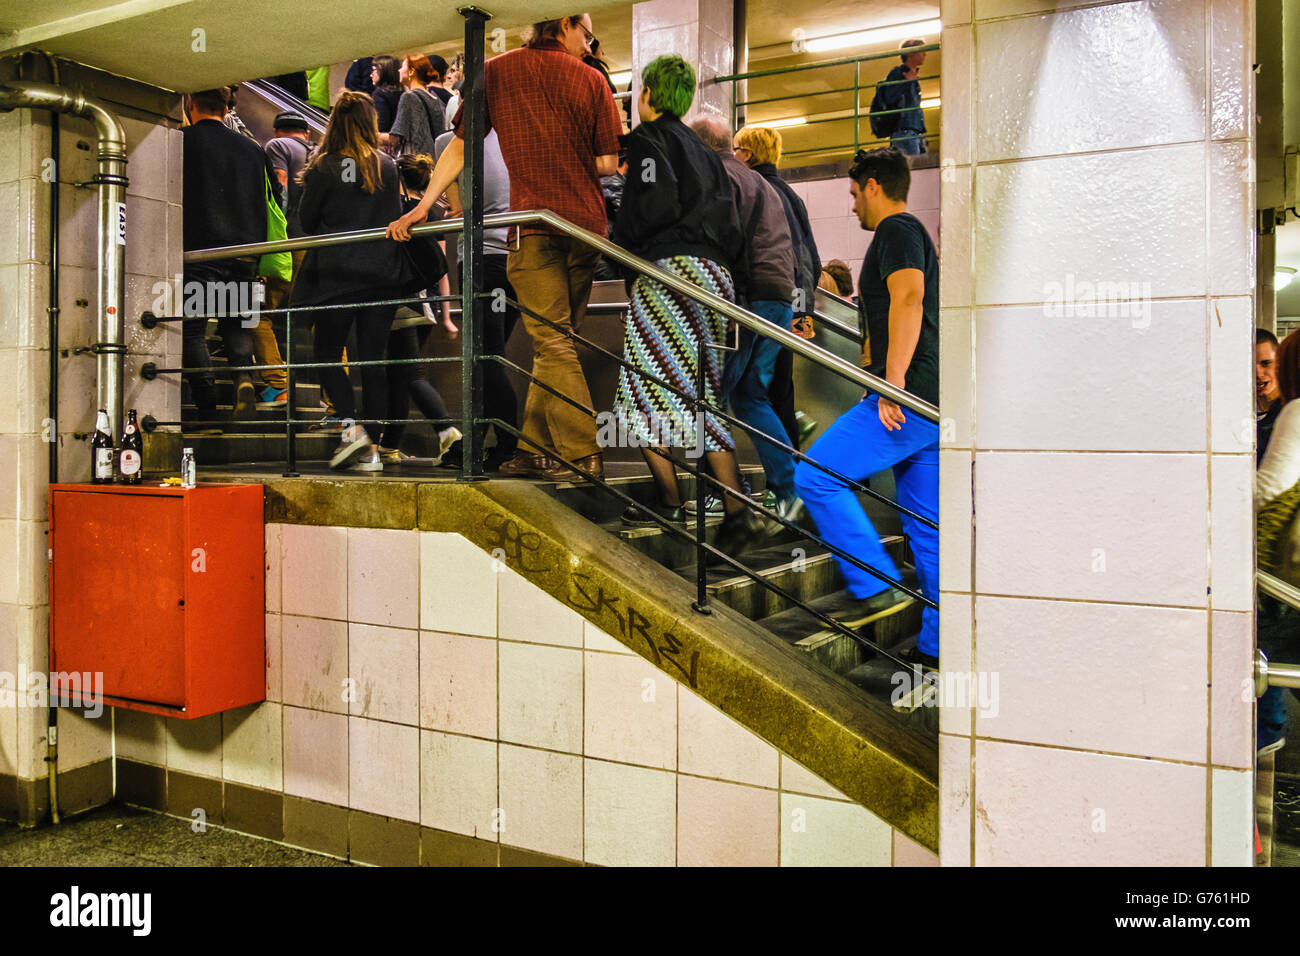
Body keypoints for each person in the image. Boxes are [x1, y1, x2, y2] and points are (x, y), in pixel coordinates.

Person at [387, 12, 623, 483]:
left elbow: (459, 144)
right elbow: (608, 163)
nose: (588, 44)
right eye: (586, 34)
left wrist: (422, 206)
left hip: (534, 227)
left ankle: (579, 454)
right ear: (564, 24)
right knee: (557, 342)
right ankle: (537, 450)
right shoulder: (593, 80)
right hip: (586, 227)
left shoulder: (495, 71)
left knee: (552, 342)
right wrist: (566, 154)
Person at [610, 56, 766, 551]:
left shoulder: (649, 140)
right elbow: (734, 225)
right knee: (700, 394)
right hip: (715, 279)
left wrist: (624, 252)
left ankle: (670, 500)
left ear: (650, 93)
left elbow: (650, 206)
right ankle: (736, 509)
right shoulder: (707, 154)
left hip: (670, 274)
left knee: (640, 388)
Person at [794, 147, 939, 668]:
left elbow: (908, 300)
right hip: (929, 404)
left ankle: (877, 586)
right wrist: (879, 375)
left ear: (874, 186)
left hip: (908, 400)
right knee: (926, 529)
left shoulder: (896, 231)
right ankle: (936, 648)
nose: (852, 205)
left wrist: (893, 383)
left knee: (815, 475)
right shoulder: (912, 233)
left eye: (855, 194)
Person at [690, 116, 802, 523]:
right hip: (777, 297)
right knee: (750, 395)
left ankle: (729, 493)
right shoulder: (759, 181)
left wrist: (730, 302)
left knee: (715, 396)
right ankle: (788, 489)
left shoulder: (717, 179)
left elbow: (724, 243)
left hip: (747, 298)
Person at [292, 91, 408, 472]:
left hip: (336, 277)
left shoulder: (325, 165)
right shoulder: (388, 166)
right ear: (370, 122)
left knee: (327, 354)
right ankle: (372, 450)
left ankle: (350, 427)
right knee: (373, 363)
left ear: (334, 123)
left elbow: (306, 223)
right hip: (381, 276)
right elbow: (393, 216)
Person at [432, 127, 521, 470]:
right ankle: (475, 443)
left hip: (481, 258)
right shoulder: (513, 135)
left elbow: (459, 206)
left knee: (486, 357)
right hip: (514, 257)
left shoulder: (448, 142)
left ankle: (509, 445)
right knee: (488, 360)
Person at [181, 87, 271, 424]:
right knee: (235, 323)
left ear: (191, 104)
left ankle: (206, 407)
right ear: (226, 107)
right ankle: (243, 379)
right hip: (247, 251)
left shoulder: (183, 140)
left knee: (193, 329)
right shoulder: (252, 149)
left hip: (202, 249)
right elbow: (271, 199)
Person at [734, 124, 820, 450]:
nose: (732, 156)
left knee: (762, 389)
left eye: (736, 149)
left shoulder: (760, 191)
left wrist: (800, 310)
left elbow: (796, 257)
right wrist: (802, 308)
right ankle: (795, 432)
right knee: (777, 387)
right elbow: (811, 255)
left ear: (749, 154)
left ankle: (786, 481)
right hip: (788, 302)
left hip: (774, 301)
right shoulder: (790, 194)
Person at [379, 153, 462, 466]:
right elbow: (441, 268)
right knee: (400, 376)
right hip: (425, 307)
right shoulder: (434, 212)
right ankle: (389, 446)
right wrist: (447, 314)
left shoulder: (396, 207)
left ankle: (447, 431)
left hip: (400, 301)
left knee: (407, 374)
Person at [1255, 331, 1300, 755]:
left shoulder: (1295, 413)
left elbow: (1268, 487)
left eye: (1271, 363)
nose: (1260, 373)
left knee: (1264, 639)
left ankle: (1267, 733)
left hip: (1283, 573)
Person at [382, 55, 446, 159]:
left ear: (411, 71)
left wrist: (374, 136)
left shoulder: (408, 97)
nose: (399, 70)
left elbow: (395, 138)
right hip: (432, 160)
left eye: (402, 67)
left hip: (415, 163)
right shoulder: (434, 98)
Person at [879, 39, 928, 156]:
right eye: (921, 51)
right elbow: (890, 97)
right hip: (904, 130)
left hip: (912, 130)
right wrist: (907, 83)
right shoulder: (898, 74)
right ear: (911, 53)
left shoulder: (911, 75)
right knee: (909, 165)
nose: (925, 54)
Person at [1259, 327, 1282, 465]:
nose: (1258, 374)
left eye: (1266, 363)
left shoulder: (1292, 412)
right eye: (1250, 364)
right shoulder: (1237, 413)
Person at [369, 56, 403, 137]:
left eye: (373, 70)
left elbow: (381, 127)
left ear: (382, 70)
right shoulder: (402, 92)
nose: (371, 75)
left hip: (386, 144)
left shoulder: (379, 94)